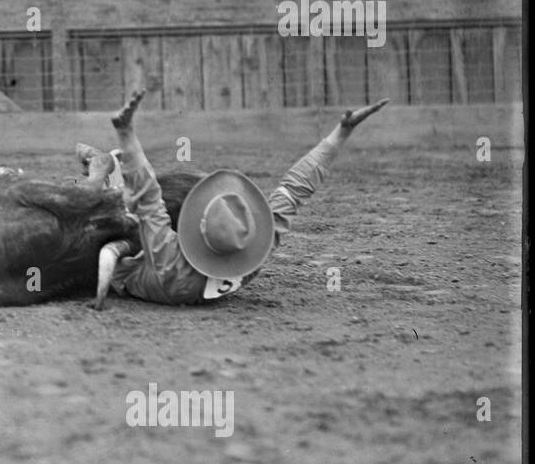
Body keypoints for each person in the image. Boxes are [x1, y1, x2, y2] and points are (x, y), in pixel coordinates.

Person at [91, 90, 390, 307]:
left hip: (143, 275)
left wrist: (127, 133)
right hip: (172, 278)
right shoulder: (250, 258)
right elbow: (294, 188)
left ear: (187, 231)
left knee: (122, 225)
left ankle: (107, 179)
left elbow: (149, 200)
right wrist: (341, 134)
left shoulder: (170, 262)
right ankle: (112, 174)